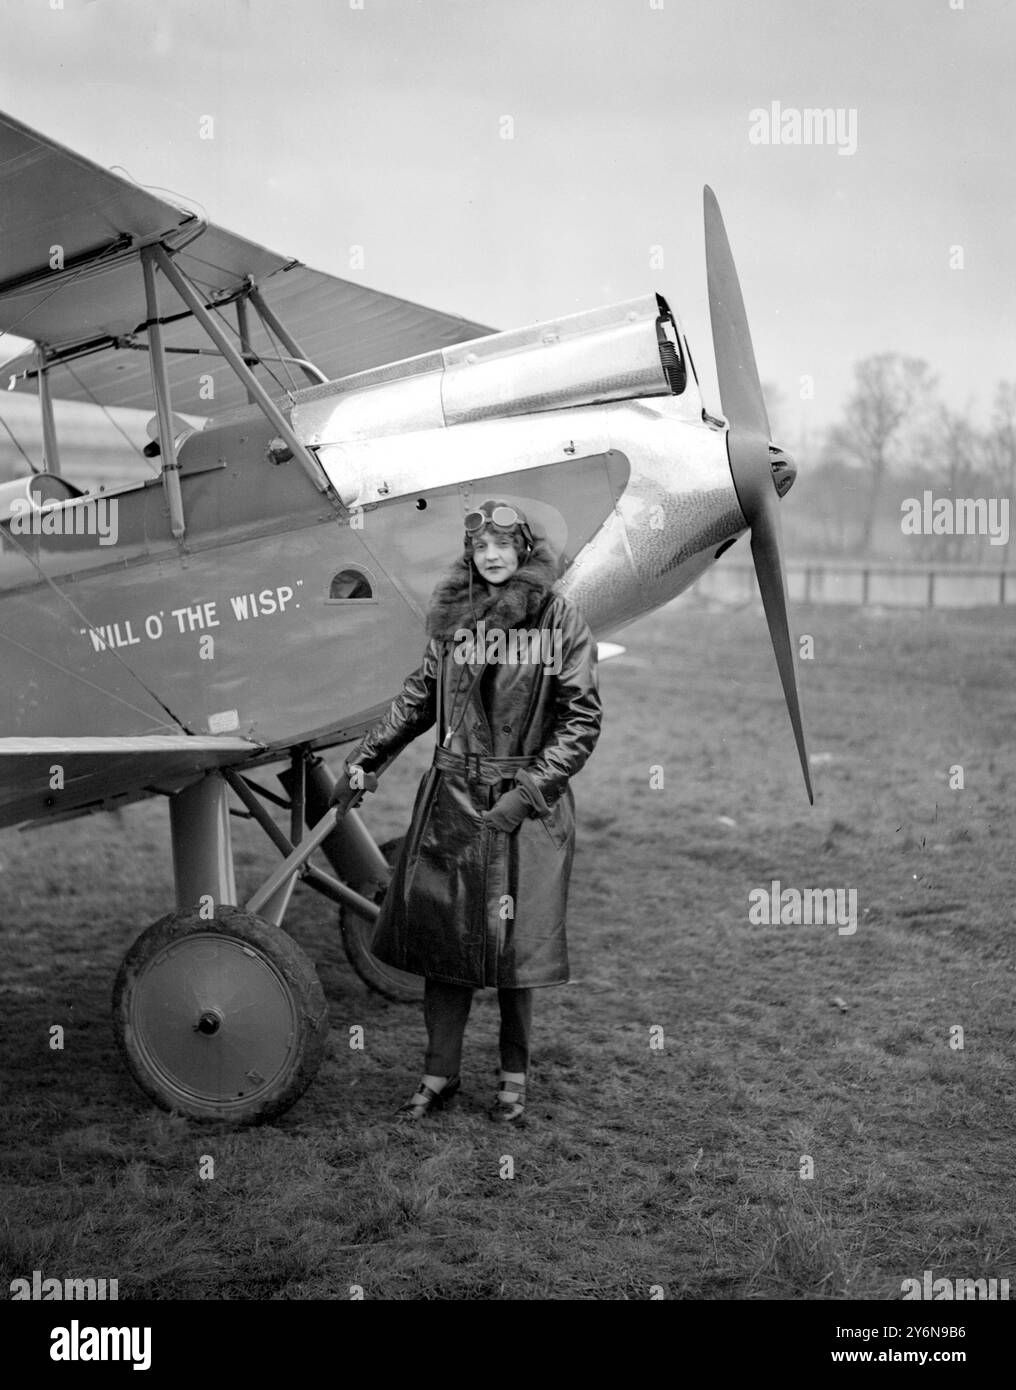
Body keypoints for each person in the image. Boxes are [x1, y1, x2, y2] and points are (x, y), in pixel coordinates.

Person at [331, 500, 602, 1124]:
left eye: (505, 544)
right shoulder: (454, 618)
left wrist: (528, 793)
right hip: (451, 802)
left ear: (525, 549)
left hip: (523, 809)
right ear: (470, 553)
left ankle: (514, 1079)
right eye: (482, 546)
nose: (493, 555)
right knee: (444, 945)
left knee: (513, 954)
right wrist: (365, 760)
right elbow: (418, 697)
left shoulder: (559, 620)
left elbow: (581, 721)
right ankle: (438, 1075)